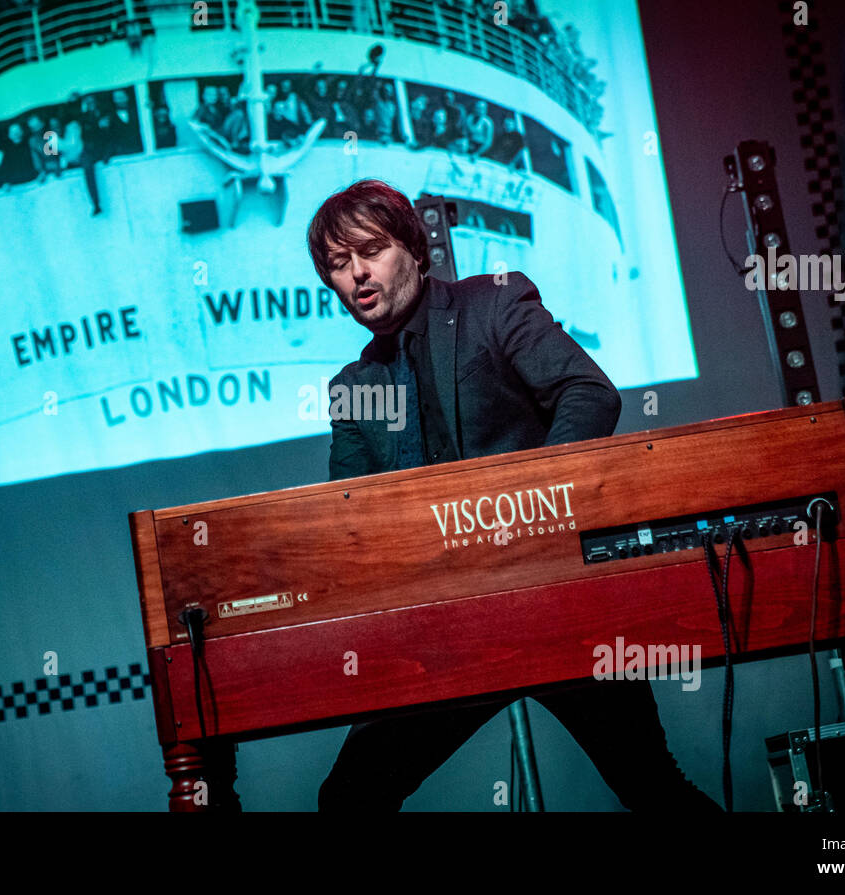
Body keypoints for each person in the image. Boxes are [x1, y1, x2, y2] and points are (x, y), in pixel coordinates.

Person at [306, 179, 721, 812]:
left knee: (652, 787)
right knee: (349, 801)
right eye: (338, 264)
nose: (357, 273)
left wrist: (532, 507)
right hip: (448, 628)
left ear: (415, 251)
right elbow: (351, 520)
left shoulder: (493, 304)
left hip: (558, 600)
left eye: (371, 250)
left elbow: (590, 393)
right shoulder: (352, 388)